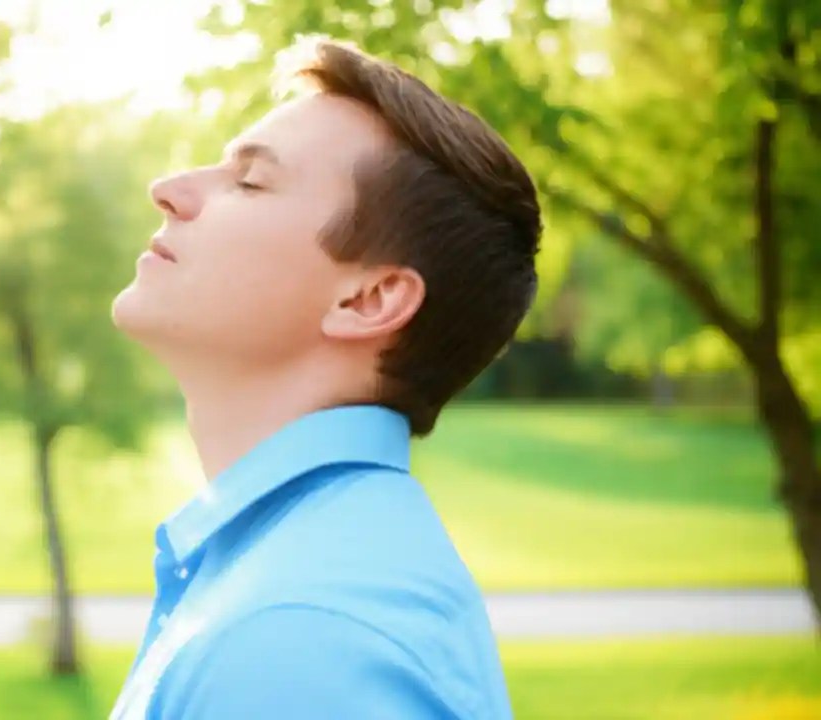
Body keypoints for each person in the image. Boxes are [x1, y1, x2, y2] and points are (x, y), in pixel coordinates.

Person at [108, 37, 539, 720]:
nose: (169, 190)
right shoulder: (293, 575)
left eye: (250, 182)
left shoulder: (296, 635)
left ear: (367, 300)